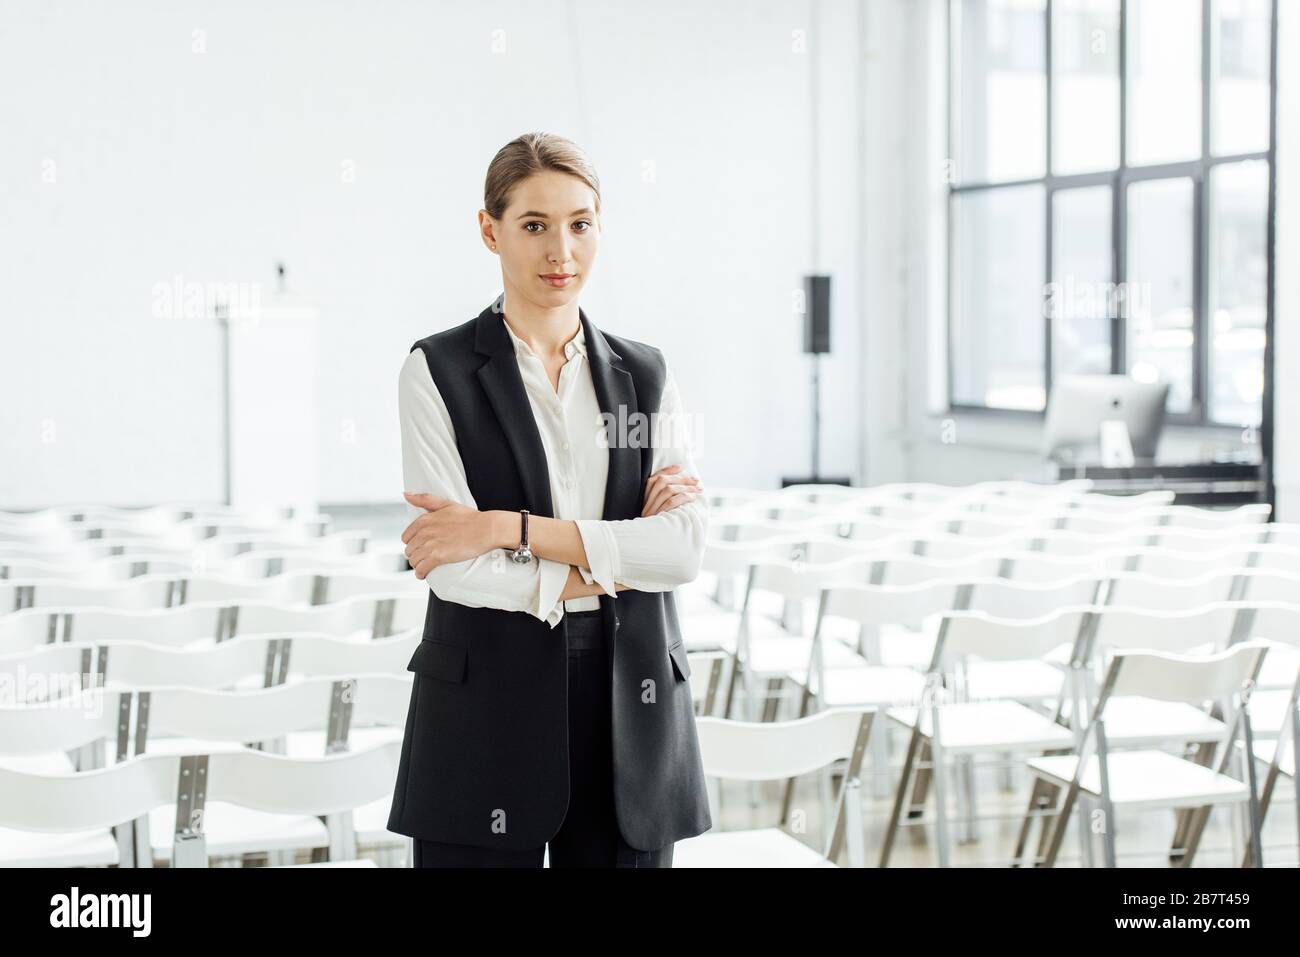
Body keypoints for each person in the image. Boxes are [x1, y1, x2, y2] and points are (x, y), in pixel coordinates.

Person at [386, 131, 713, 867]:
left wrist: (507, 528)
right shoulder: (436, 370)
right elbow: (453, 567)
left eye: (580, 222)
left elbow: (684, 552)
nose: (560, 249)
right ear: (489, 229)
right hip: (485, 692)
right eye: (534, 225)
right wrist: (623, 557)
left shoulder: (645, 375)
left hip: (632, 694)